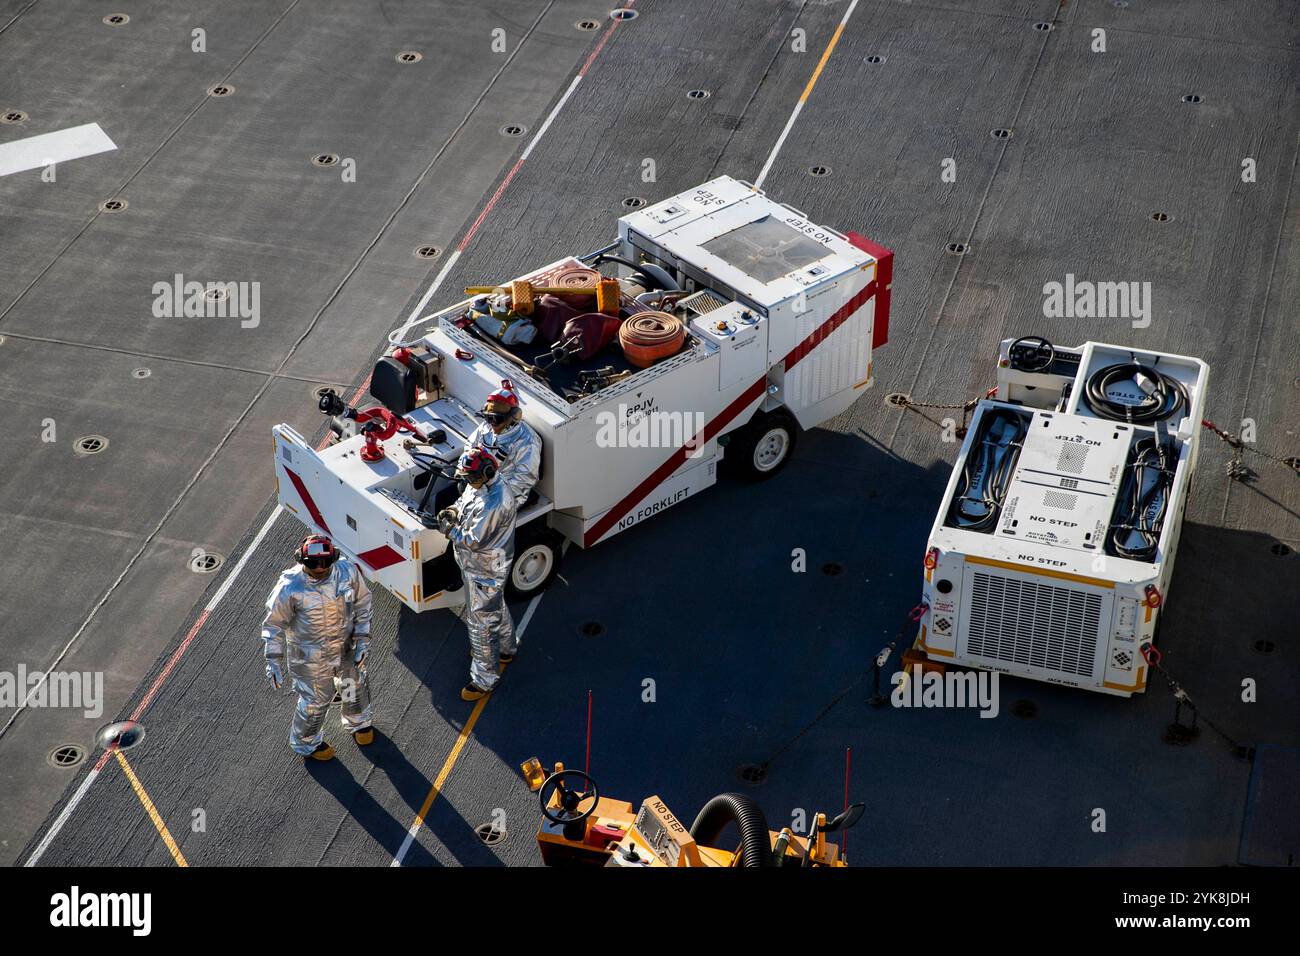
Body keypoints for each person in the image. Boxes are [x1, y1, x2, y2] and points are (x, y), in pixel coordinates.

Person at [262, 535, 373, 761]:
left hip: (346, 645)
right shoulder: (290, 587)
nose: (320, 568)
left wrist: (362, 639)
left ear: (334, 558)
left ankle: (358, 721)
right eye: (313, 564)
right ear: (302, 561)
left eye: (325, 563)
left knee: (353, 683)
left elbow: (363, 604)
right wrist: (273, 660)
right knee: (315, 701)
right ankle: (306, 743)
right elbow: (273, 625)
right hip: (309, 657)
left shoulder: (348, 572)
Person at [438, 447, 518, 701]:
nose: (468, 483)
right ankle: (508, 647)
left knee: (481, 625)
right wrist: (452, 510)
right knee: (495, 607)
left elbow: (473, 540)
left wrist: (447, 529)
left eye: (471, 478)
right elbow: (465, 500)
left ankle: (484, 680)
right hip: (477, 565)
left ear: (487, 472)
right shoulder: (480, 483)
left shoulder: (496, 501)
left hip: (485, 569)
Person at [468, 379, 541, 506]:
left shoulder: (527, 441)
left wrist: (488, 492)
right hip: (480, 483)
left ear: (514, 416)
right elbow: (469, 446)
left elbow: (524, 480)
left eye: (497, 419)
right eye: (488, 417)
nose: (492, 423)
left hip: (507, 496)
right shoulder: (487, 426)